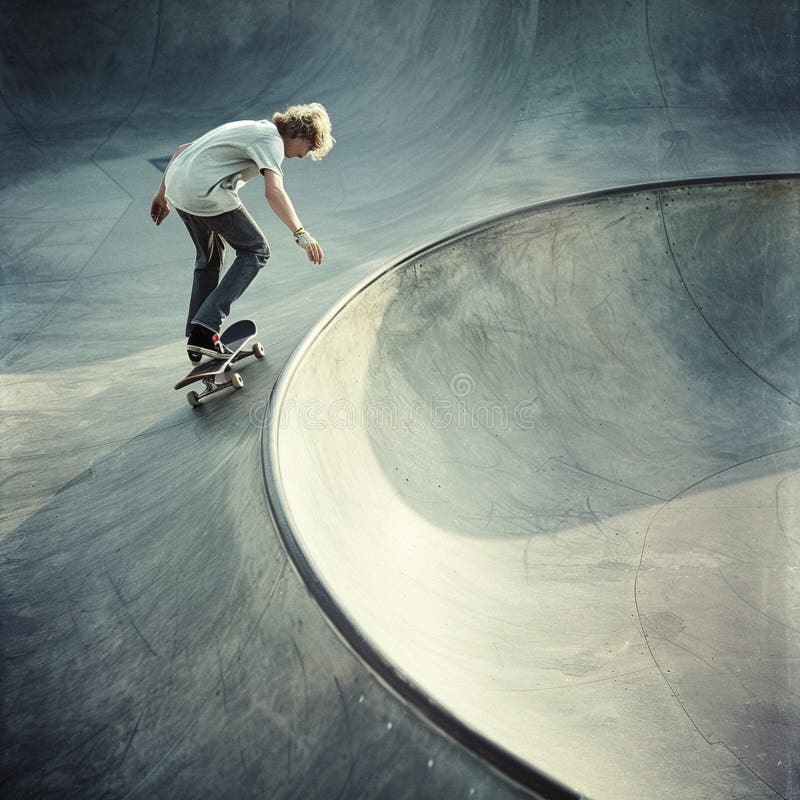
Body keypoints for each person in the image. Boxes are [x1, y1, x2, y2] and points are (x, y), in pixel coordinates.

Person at [149, 102, 334, 362]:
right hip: (205, 194)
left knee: (209, 259)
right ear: (300, 135)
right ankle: (205, 329)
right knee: (256, 250)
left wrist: (161, 194)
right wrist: (300, 232)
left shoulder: (252, 127)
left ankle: (197, 334)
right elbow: (274, 191)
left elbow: (181, 150)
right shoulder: (273, 142)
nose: (306, 155)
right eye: (310, 147)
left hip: (177, 189)